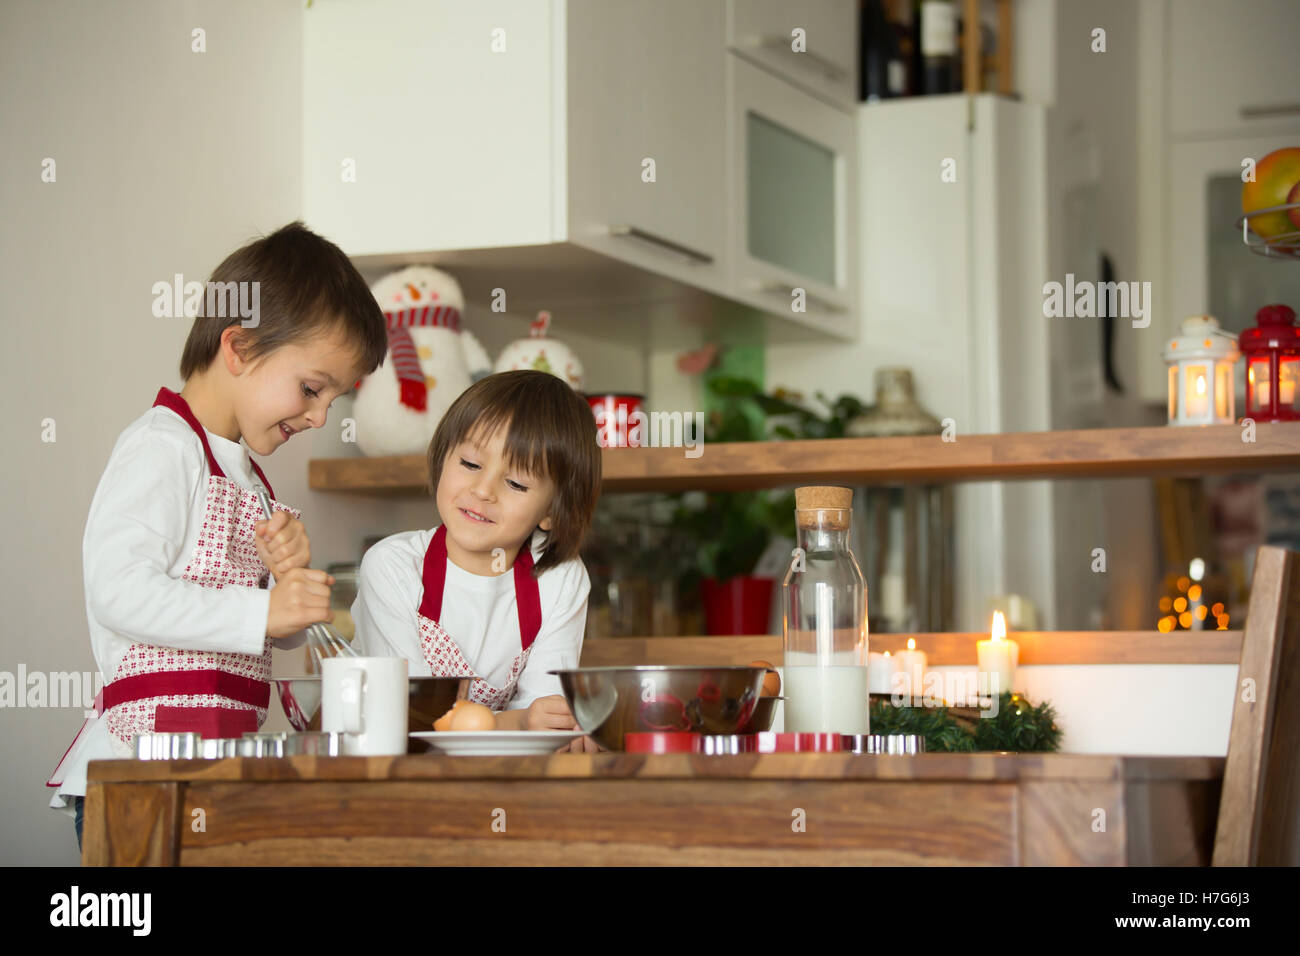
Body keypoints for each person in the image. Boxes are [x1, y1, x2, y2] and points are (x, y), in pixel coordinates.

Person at [47, 221, 388, 852]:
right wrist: (263, 606)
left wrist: (286, 597)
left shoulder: (247, 477)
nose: (318, 417)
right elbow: (118, 592)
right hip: (143, 774)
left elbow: (260, 633)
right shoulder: (160, 448)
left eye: (333, 401)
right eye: (313, 389)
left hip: (217, 765)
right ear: (239, 347)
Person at [353, 370, 602, 752]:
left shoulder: (559, 579)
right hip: (385, 774)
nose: (483, 491)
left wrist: (552, 727)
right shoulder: (391, 568)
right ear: (442, 457)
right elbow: (412, 719)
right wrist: (519, 723)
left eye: (516, 484)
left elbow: (547, 716)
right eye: (470, 463)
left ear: (552, 512)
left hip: (494, 778)